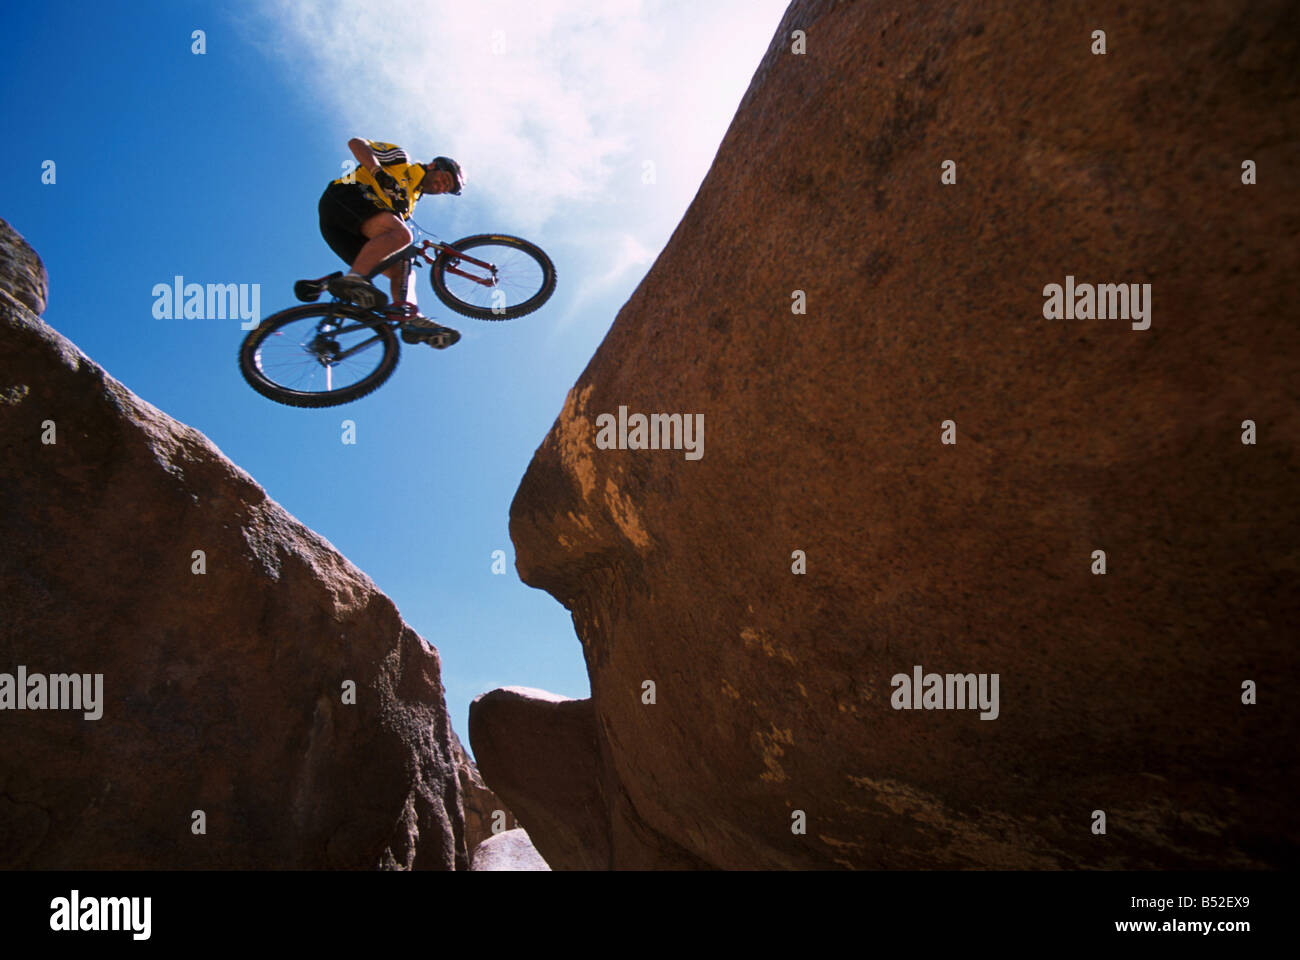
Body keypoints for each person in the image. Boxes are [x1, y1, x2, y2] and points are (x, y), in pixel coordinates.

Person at [316, 138, 464, 348]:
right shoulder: (400, 160)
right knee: (402, 235)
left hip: (347, 232)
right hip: (344, 198)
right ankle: (354, 279)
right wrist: (378, 172)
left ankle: (410, 317)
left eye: (446, 189)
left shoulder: (410, 201)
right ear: (433, 166)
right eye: (444, 179)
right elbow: (356, 143)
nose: (441, 187)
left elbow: (388, 237)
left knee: (403, 269)